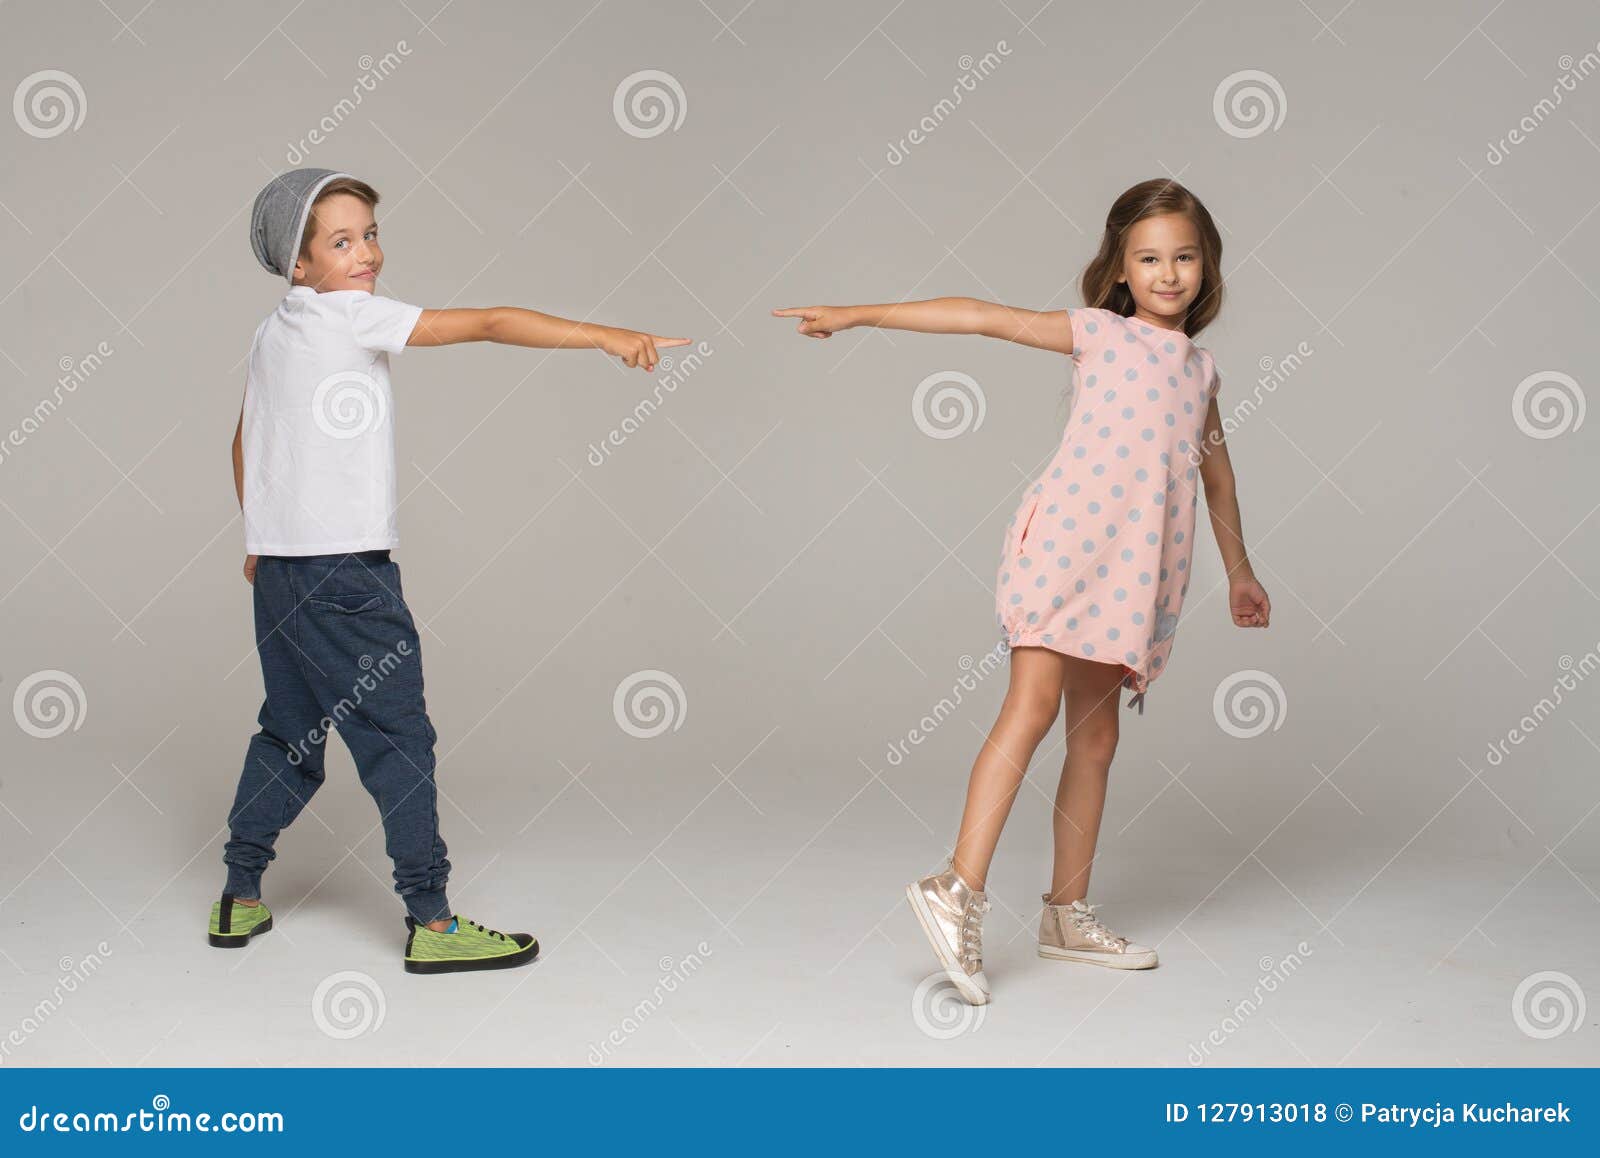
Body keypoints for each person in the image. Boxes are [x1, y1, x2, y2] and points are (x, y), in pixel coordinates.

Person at [773, 179, 1270, 1005]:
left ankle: (1067, 912)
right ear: (1119, 268)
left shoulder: (1203, 372)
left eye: (1184, 257)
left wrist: (1242, 571)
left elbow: (1217, 478)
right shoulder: (1101, 335)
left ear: (1207, 265)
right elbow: (982, 316)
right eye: (1149, 258)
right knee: (1031, 707)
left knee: (1098, 739)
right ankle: (956, 886)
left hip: (1136, 571)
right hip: (1070, 547)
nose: (1169, 273)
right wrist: (860, 313)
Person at [212, 168, 687, 974]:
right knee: (400, 738)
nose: (367, 252)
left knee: (290, 733)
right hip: (347, 575)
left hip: (286, 574)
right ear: (299, 266)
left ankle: (240, 891)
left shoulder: (274, 331)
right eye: (341, 241)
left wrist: (262, 540)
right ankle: (432, 925)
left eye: (369, 233)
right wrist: (605, 335)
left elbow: (244, 438)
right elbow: (494, 321)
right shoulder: (350, 316)